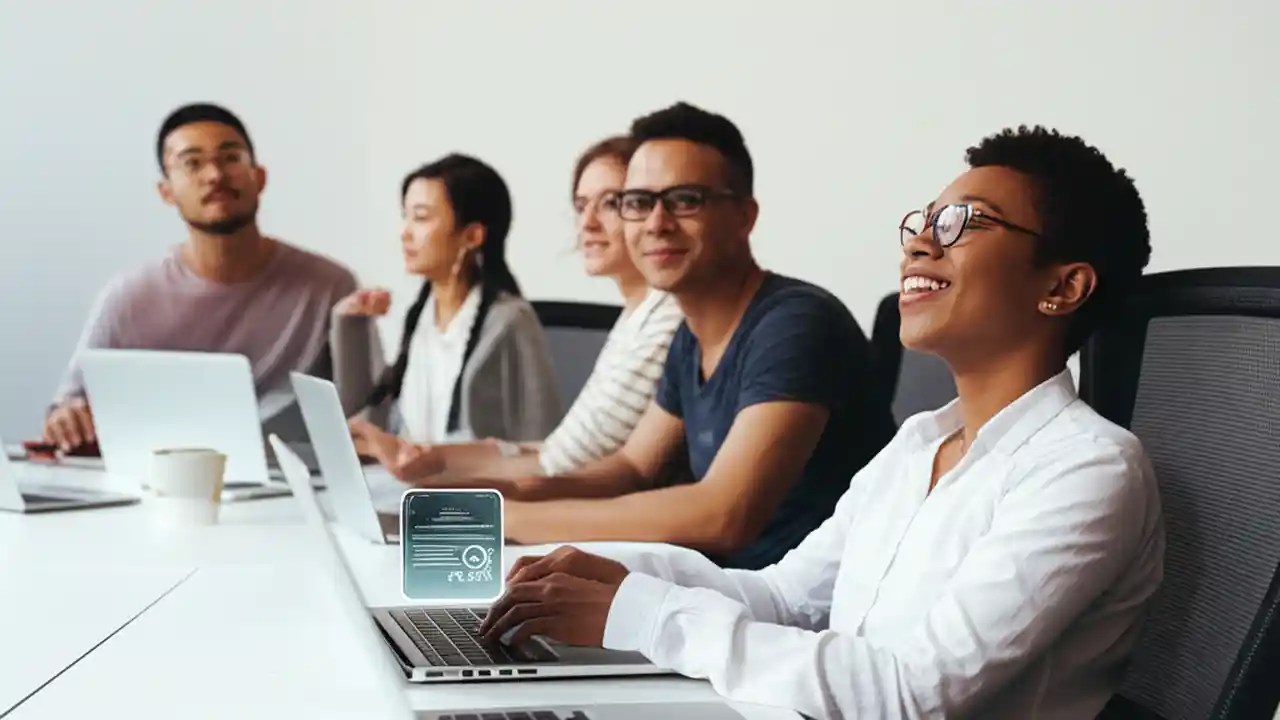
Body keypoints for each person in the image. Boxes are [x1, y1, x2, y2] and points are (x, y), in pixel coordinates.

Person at [479, 126, 1165, 719]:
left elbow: (910, 697)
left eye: (964, 223)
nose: (922, 242)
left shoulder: (1086, 469)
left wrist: (645, 615)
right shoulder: (919, 443)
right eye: (923, 221)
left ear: (1062, 287)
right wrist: (613, 574)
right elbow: (782, 595)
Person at [426, 102, 896, 571]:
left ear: (745, 217)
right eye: (637, 202)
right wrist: (501, 494)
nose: (656, 223)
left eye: (685, 200)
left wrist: (506, 519)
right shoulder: (692, 334)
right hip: (722, 594)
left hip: (801, 618)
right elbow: (632, 468)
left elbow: (723, 515)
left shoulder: (795, 324)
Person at [43, 102, 357, 452]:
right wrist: (67, 417)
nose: (214, 176)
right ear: (167, 191)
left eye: (230, 158)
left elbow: (362, 412)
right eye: (192, 163)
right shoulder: (129, 297)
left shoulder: (330, 287)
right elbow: (68, 405)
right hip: (163, 484)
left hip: (293, 488)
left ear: (260, 176)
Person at [375, 135, 685, 481]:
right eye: (581, 206)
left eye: (612, 203)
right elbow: (558, 451)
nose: (587, 224)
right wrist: (430, 459)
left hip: (573, 509)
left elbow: (562, 464)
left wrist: (481, 500)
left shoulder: (667, 320)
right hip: (514, 491)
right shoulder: (632, 321)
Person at [336, 154, 561, 470]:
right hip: (406, 489)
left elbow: (542, 447)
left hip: (480, 500)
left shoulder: (509, 322)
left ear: (472, 236)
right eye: (406, 217)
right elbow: (364, 429)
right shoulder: (421, 317)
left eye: (422, 217)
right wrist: (352, 326)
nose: (405, 233)